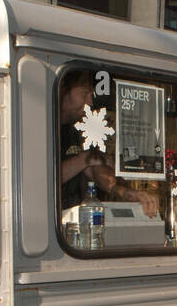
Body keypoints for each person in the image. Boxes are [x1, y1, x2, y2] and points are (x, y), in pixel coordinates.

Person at [59, 71, 161, 218]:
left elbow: (95, 170)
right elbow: (43, 178)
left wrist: (125, 192)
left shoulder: (73, 130)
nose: (90, 102)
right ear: (63, 89)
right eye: (85, 93)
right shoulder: (42, 125)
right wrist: (85, 158)